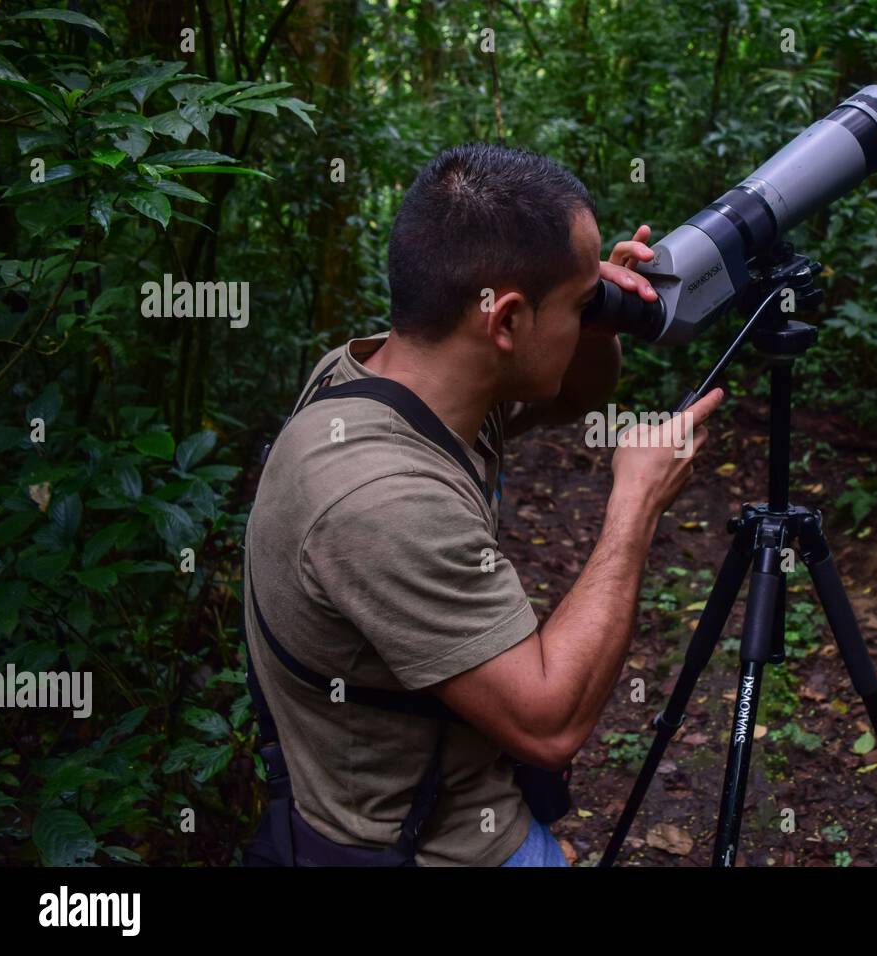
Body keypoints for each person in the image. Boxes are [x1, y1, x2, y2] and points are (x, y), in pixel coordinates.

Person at [243, 142, 724, 867]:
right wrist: (635, 504)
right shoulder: (384, 502)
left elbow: (575, 393)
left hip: (426, 794)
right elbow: (549, 723)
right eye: (577, 302)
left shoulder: (376, 379)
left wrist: (597, 310)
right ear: (504, 322)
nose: (590, 307)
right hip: (428, 846)